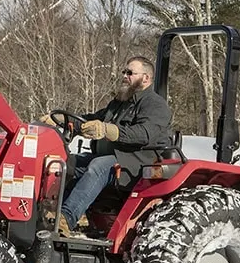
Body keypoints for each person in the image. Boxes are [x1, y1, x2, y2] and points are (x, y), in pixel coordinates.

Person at [41, 56, 173, 236]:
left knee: (99, 166)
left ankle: (66, 218)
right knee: (66, 162)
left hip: (136, 163)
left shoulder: (155, 105)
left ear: (146, 78)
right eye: (124, 72)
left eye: (130, 73)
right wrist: (63, 120)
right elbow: (93, 120)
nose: (125, 76)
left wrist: (109, 131)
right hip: (111, 159)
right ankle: (46, 211)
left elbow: (144, 134)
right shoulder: (119, 103)